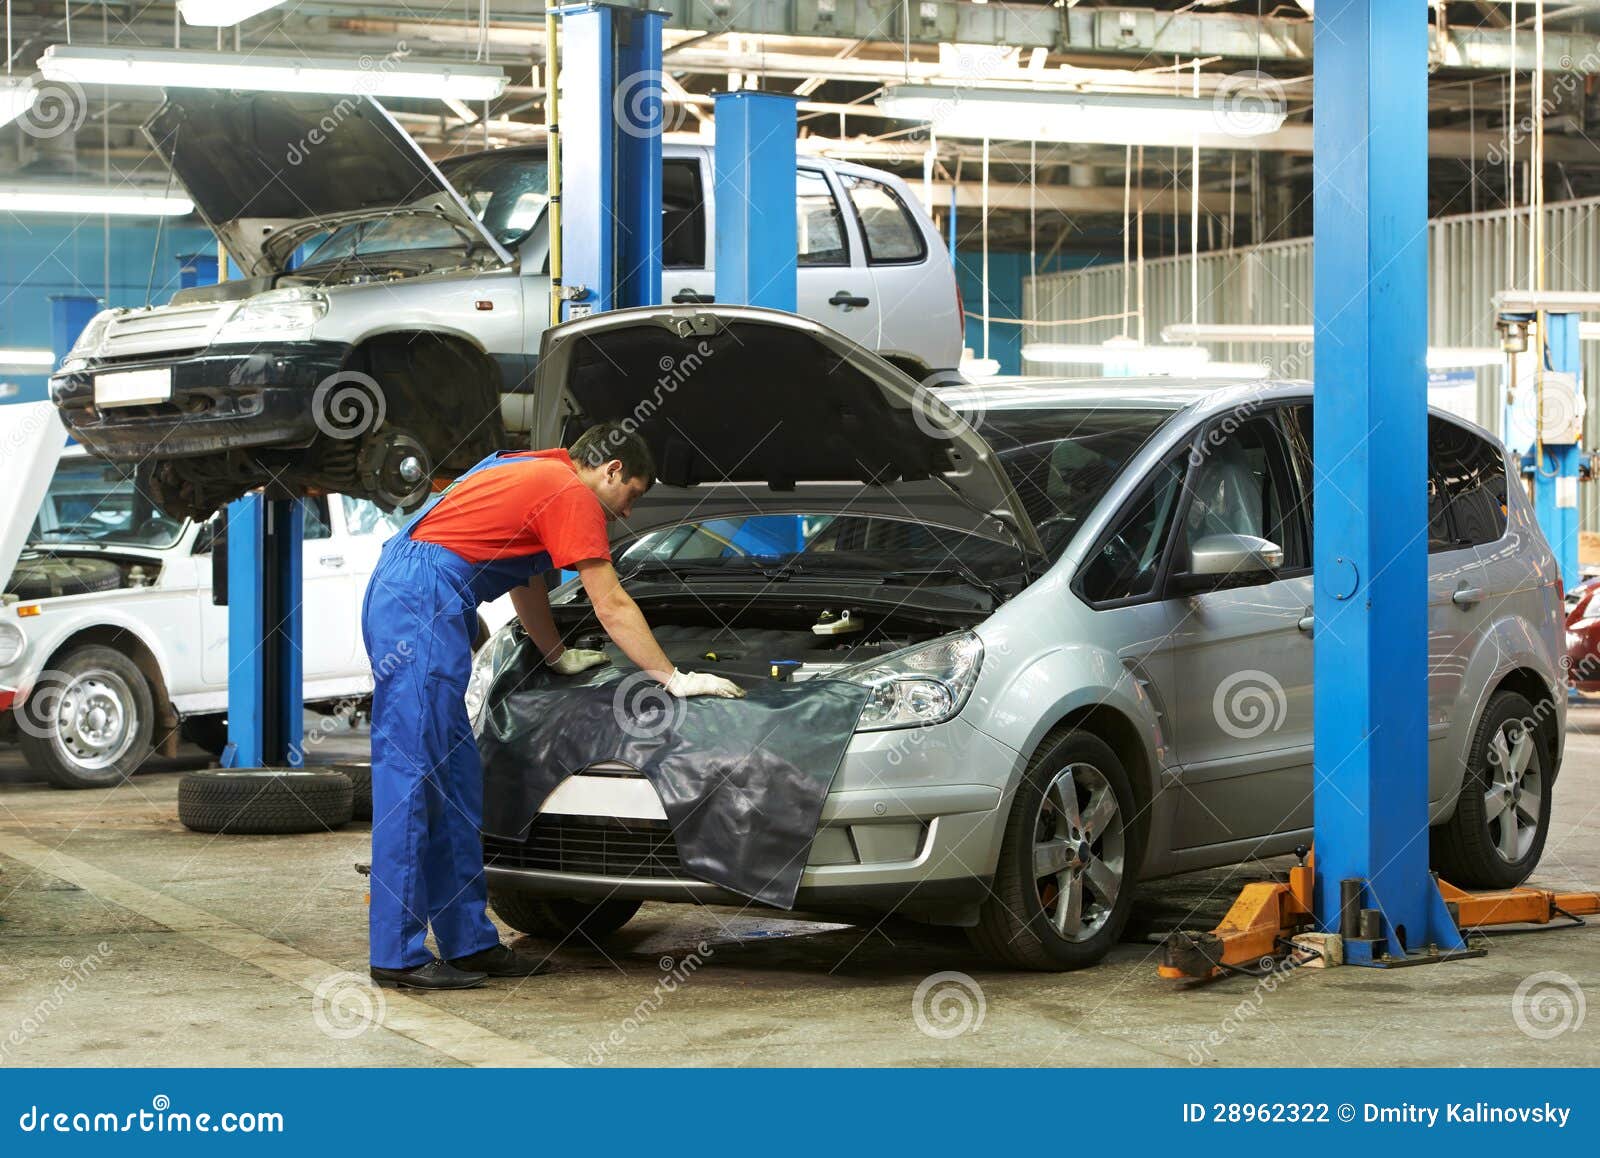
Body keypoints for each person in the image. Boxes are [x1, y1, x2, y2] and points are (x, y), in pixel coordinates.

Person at [361, 422, 744, 990]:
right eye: (633, 495)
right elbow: (611, 603)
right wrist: (672, 677)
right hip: (418, 599)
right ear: (612, 469)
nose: (628, 513)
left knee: (457, 783)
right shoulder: (570, 492)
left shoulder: (534, 470)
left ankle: (469, 944)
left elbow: (527, 583)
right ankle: (396, 956)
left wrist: (556, 655)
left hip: (424, 591)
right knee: (414, 780)